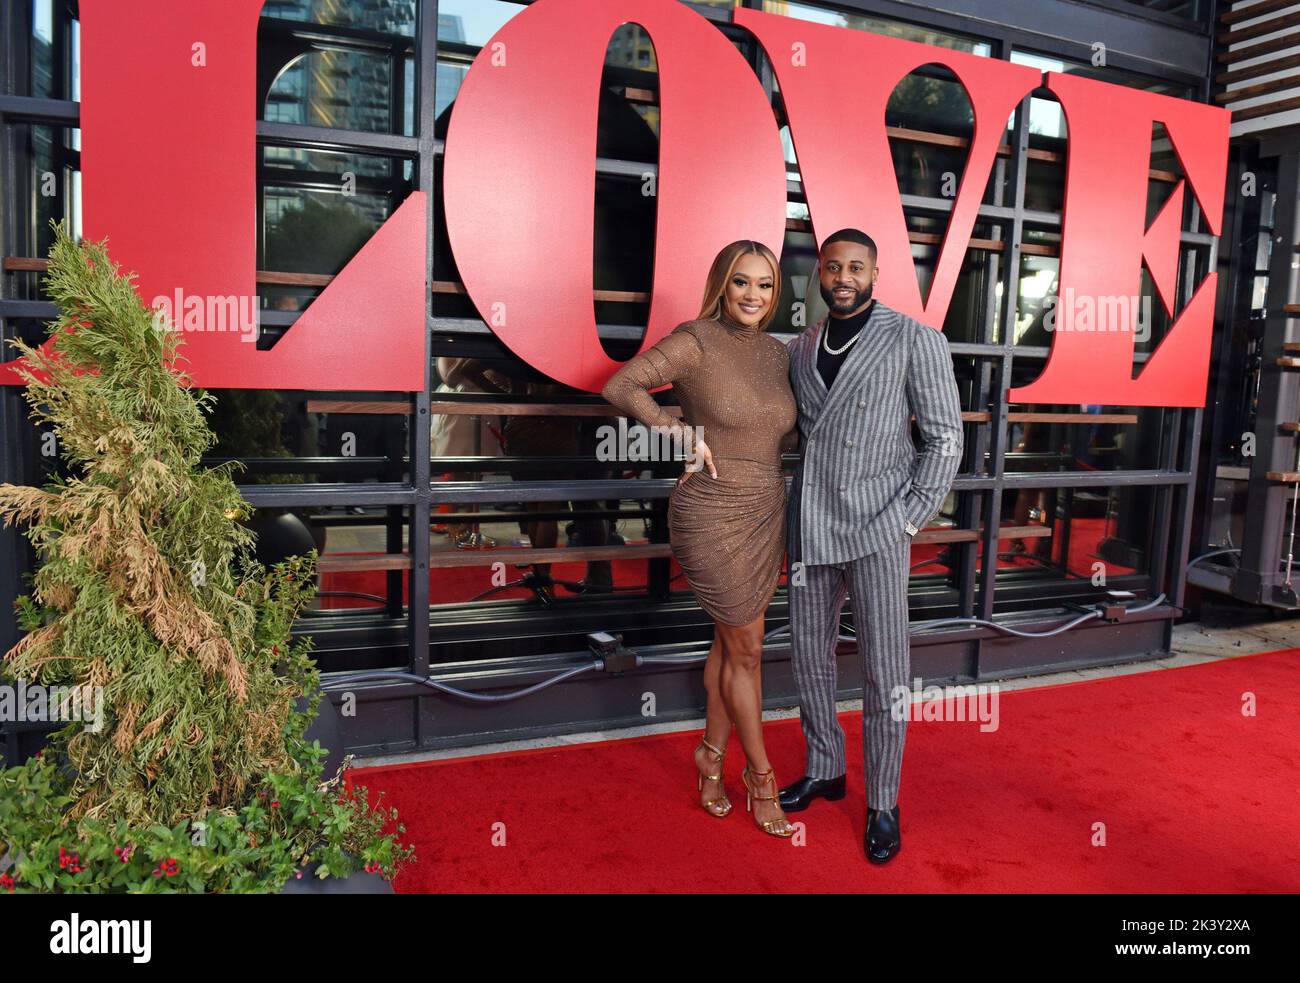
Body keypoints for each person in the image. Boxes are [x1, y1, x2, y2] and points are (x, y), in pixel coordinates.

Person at [601, 240, 799, 838]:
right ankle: (760, 776)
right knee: (747, 649)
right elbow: (623, 385)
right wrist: (678, 433)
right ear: (722, 284)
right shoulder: (695, 339)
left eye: (765, 285)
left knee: (730, 645)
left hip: (768, 510)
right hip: (712, 509)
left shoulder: (778, 352)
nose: (753, 296)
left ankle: (709, 760)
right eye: (741, 282)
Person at [778, 228, 963, 864]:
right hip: (813, 524)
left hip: (881, 527)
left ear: (876, 271)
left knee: (885, 671)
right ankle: (826, 768)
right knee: (809, 657)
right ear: (821, 275)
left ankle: (883, 801)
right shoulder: (802, 347)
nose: (844, 277)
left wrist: (910, 518)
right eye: (834, 267)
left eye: (856, 266)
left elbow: (945, 439)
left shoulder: (915, 339)